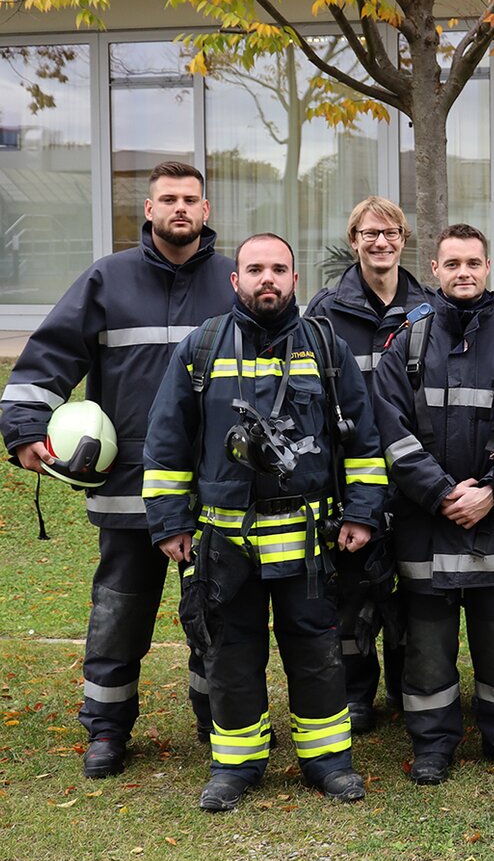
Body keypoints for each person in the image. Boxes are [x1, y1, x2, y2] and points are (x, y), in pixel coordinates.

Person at [0, 160, 234, 779]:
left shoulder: (234, 281)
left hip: (213, 491)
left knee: (214, 614)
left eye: (190, 199)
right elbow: (50, 354)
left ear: (205, 211)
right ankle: (106, 730)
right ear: (149, 211)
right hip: (128, 487)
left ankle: (220, 725)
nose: (179, 208)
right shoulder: (107, 279)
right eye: (167, 199)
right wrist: (25, 431)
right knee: (119, 616)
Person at [142, 233, 385, 811]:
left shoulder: (327, 349)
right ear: (236, 280)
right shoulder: (201, 349)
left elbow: (364, 442)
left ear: (295, 279)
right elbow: (166, 442)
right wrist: (171, 524)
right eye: (255, 269)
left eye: (279, 268)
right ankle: (236, 765)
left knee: (318, 652)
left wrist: (362, 513)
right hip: (226, 544)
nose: (267, 279)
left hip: (309, 542)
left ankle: (328, 761)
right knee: (229, 654)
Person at [372, 225, 494, 785]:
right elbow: (391, 431)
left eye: (473, 262)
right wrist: (442, 492)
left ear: (490, 268)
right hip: (426, 523)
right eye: (453, 264)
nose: (464, 273)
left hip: (493, 522)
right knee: (426, 645)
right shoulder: (409, 340)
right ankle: (432, 743)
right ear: (435, 269)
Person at [304, 196, 433, 733]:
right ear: (353, 239)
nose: (381, 243)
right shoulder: (325, 311)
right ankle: (356, 691)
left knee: (411, 587)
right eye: (370, 233)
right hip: (348, 476)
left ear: (404, 240)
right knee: (351, 589)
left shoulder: (428, 307)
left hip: (414, 478)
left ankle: (408, 685)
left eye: (392, 233)